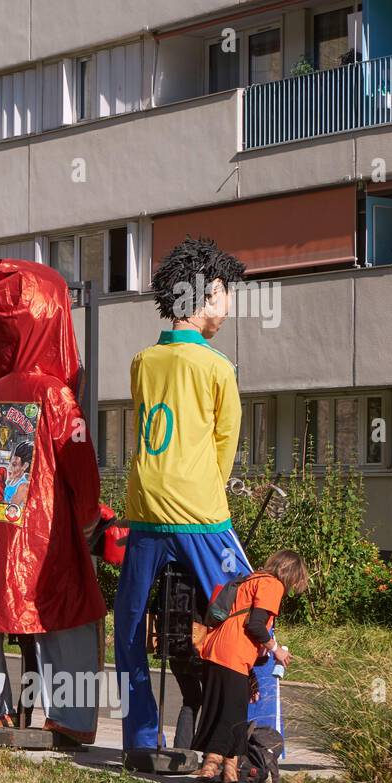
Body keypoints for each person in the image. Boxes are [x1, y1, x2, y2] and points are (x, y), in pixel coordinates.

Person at [113, 237, 252, 752]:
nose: (230, 305)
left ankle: (139, 739)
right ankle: (240, 732)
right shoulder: (218, 368)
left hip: (145, 507)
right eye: (226, 293)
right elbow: (224, 445)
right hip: (199, 514)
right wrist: (206, 492)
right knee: (241, 613)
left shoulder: (142, 361)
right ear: (209, 294)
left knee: (128, 624)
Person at [0, 260, 107, 745]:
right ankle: (66, 716)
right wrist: (91, 519)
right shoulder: (56, 394)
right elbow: (79, 464)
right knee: (69, 616)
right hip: (46, 535)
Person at [193, 551, 307, 782]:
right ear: (290, 573)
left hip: (216, 651)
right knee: (232, 718)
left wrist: (250, 674)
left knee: (225, 714)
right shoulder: (272, 585)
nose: (294, 585)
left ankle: (230, 776)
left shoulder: (252, 579)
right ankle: (208, 773)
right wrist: (277, 650)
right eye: (297, 579)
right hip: (232, 654)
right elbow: (255, 625)